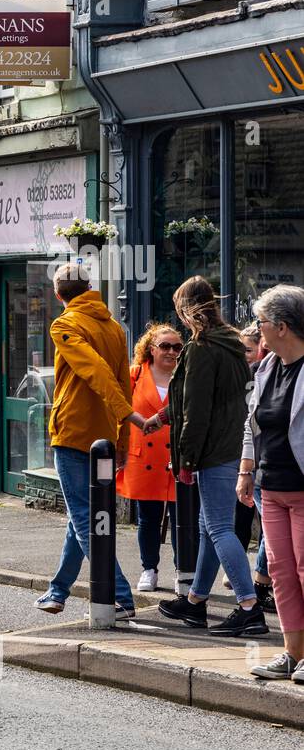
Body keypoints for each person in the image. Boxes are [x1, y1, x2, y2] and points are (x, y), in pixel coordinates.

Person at [36, 263, 146, 619]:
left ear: (58, 295)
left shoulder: (64, 324)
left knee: (84, 517)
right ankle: (58, 591)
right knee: (80, 515)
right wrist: (123, 436)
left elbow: (94, 369)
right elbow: (121, 379)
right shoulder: (114, 327)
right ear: (90, 288)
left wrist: (125, 414)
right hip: (105, 436)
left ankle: (120, 595)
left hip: (72, 433)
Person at [155, 276, 262, 635]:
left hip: (213, 450)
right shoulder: (231, 344)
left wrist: (186, 459)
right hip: (233, 444)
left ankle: (249, 607)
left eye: (179, 310)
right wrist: (161, 418)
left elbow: (196, 410)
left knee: (219, 528)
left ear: (187, 310)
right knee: (208, 527)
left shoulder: (202, 347)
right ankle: (196, 602)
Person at [239, 286, 304, 680]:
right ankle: (292, 654)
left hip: (302, 487)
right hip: (271, 486)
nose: (257, 329)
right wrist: (246, 472)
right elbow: (253, 425)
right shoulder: (266, 367)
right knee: (280, 572)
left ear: (283, 326)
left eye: (262, 322)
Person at [117, 323, 181, 592]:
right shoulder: (134, 375)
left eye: (177, 347)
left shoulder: (187, 374)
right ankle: (149, 569)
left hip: (178, 456)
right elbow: (118, 412)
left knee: (182, 518)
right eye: (164, 346)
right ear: (151, 349)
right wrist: (118, 448)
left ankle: (183, 571)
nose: (171, 352)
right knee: (148, 518)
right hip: (143, 456)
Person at [234, 324, 274, 608]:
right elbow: (250, 423)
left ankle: (258, 584)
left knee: (270, 533)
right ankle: (256, 586)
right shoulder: (258, 372)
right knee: (269, 532)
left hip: (270, 466)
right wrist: (245, 470)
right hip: (261, 465)